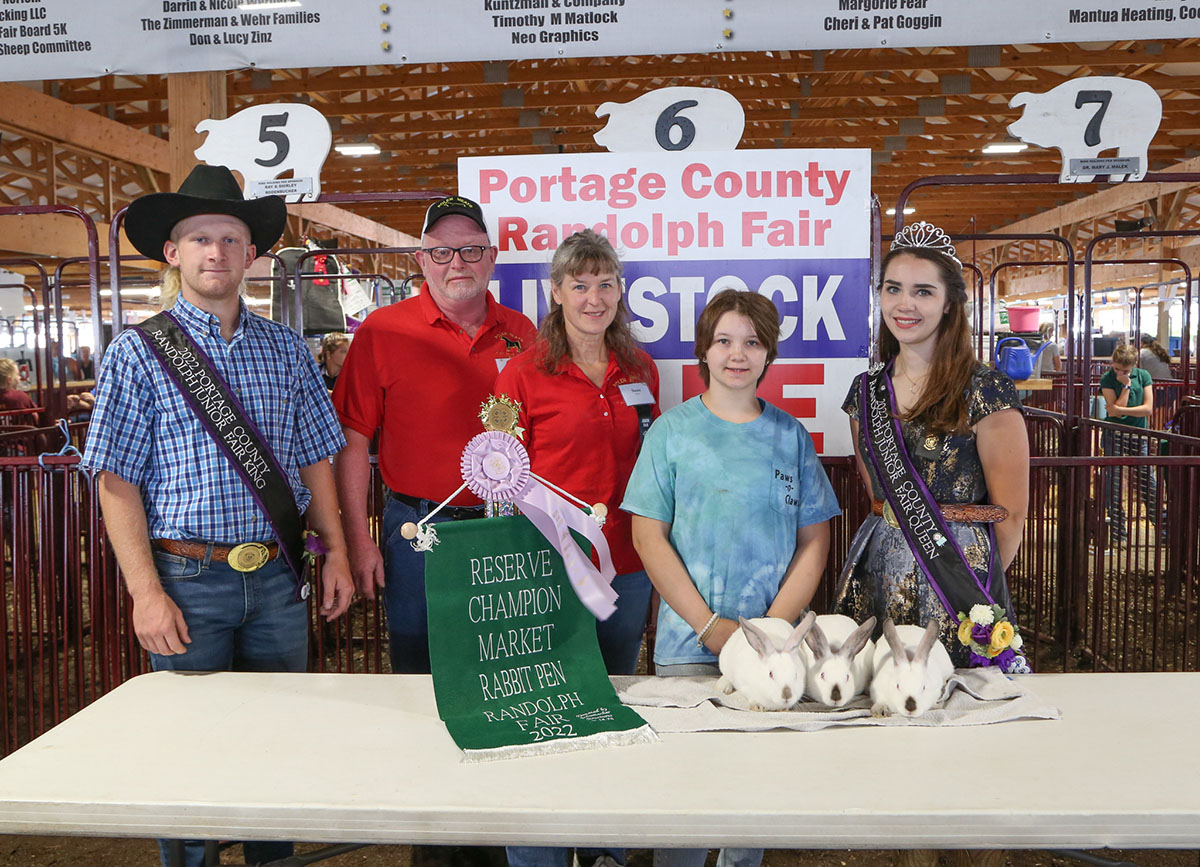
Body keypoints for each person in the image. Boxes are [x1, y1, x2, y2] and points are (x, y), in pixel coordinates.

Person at [82, 164, 354, 867]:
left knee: (277, 744)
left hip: (276, 575)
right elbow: (117, 483)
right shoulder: (137, 353)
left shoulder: (286, 349)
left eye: (230, 238)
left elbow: (318, 458)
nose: (216, 253)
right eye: (199, 238)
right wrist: (146, 592)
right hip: (185, 579)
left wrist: (341, 554)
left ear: (251, 254)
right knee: (186, 750)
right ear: (172, 252)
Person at [623, 288, 840, 867]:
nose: (737, 354)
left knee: (756, 791)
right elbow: (648, 537)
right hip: (688, 646)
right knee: (688, 798)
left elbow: (814, 540)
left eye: (752, 342)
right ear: (704, 351)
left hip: (772, 651)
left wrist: (772, 630)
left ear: (769, 354)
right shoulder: (671, 433)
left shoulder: (789, 437)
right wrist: (711, 627)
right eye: (724, 341)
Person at [496, 230, 658, 867]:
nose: (595, 297)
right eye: (581, 284)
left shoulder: (639, 369)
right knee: (541, 708)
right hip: (546, 565)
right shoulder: (522, 373)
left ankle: (604, 847)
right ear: (556, 292)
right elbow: (500, 475)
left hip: (628, 564)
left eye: (606, 283)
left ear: (620, 291)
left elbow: (651, 465)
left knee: (610, 703)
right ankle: (537, 849)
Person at [333, 194, 535, 675]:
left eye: (470, 250)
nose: (456, 263)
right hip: (418, 531)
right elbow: (352, 441)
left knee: (503, 662)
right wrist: (360, 540)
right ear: (421, 260)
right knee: (419, 667)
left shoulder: (523, 332)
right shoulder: (383, 331)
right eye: (441, 252)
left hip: (505, 526)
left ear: (492, 257)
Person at [834, 223, 1029, 670]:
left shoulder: (985, 390)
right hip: (879, 562)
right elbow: (877, 494)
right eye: (893, 289)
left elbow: (1012, 515)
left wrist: (966, 582)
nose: (905, 304)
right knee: (876, 690)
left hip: (958, 572)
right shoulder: (864, 393)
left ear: (948, 303)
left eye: (923, 292)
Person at [1101, 343, 1164, 546]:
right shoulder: (1107, 378)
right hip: (1114, 434)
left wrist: (1120, 410)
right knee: (1114, 483)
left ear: (1134, 366)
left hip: (1138, 435)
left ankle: (1163, 531)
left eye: (1125, 370)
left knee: (1148, 483)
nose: (1119, 372)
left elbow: (1147, 409)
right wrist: (1126, 386)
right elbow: (1114, 411)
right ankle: (1119, 533)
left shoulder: (1144, 376)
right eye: (1116, 368)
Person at [0, 358, 39, 425]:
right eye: (17, 374)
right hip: (22, 435)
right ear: (9, 379)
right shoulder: (21, 397)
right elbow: (35, 417)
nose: (20, 377)